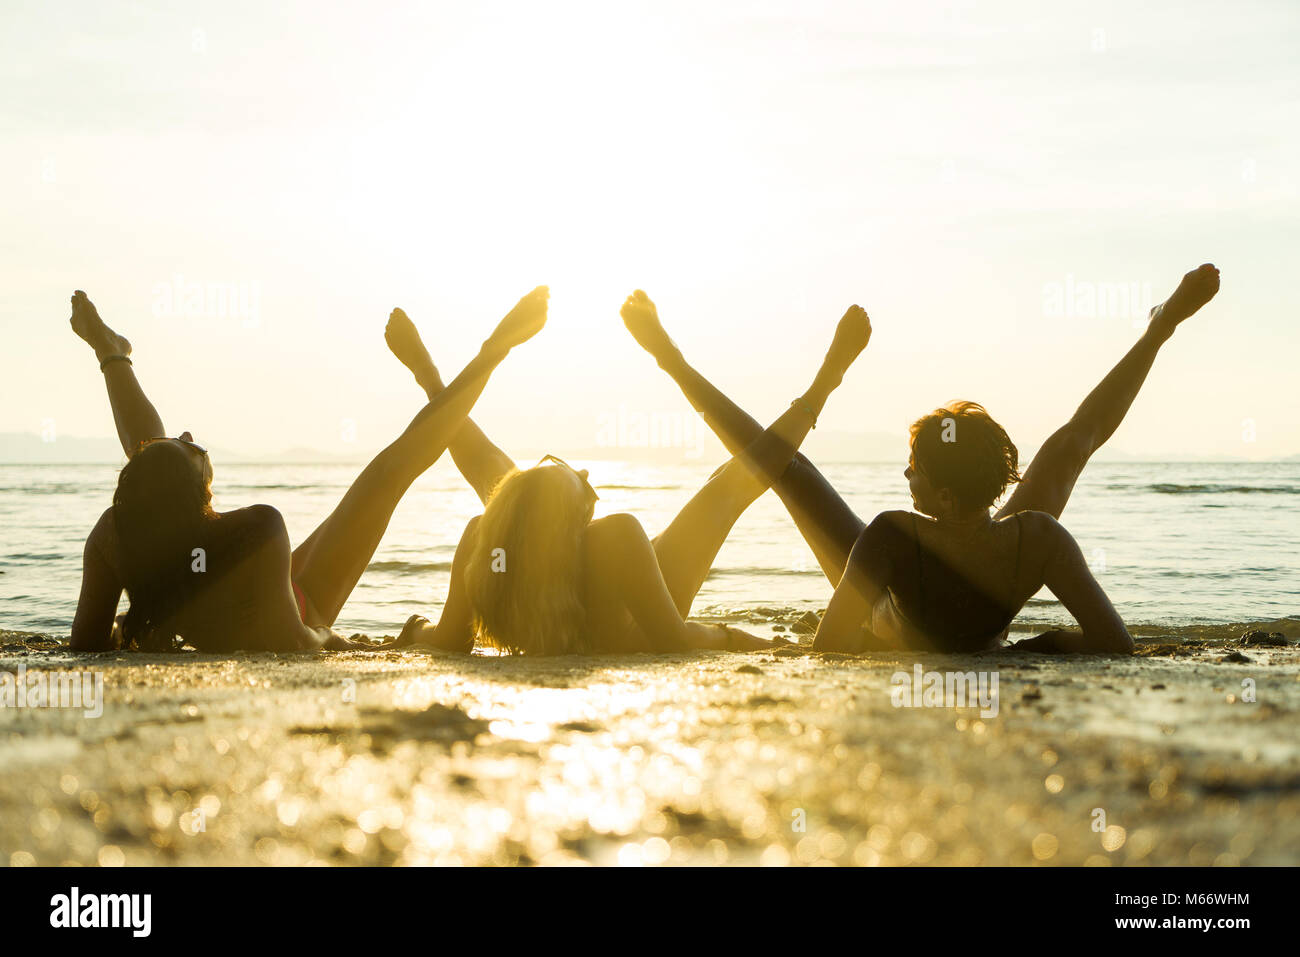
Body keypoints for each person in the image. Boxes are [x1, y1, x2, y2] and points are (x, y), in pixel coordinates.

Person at [625, 265, 1221, 654]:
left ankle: (1158, 328)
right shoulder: (1034, 539)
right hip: (893, 589)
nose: (905, 474)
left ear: (940, 497)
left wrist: (1027, 652)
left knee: (787, 470)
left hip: (891, 584)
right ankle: (1156, 333)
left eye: (915, 469)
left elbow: (828, 653)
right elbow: (1116, 651)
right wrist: (1026, 653)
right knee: (1069, 447)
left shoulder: (894, 535)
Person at [67, 286, 550, 652]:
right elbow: (297, 645)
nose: (188, 436)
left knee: (152, 475)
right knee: (389, 475)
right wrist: (331, 637)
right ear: (204, 498)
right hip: (295, 606)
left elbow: (86, 645)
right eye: (189, 450)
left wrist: (133, 631)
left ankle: (114, 356)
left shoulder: (116, 530)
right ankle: (490, 355)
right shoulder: (257, 529)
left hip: (235, 574)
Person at [393, 293, 872, 653]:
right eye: (573, 476)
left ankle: (431, 378)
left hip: (563, 590)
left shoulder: (490, 540)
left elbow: (449, 642)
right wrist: (739, 638)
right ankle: (813, 384)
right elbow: (678, 642)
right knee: (728, 488)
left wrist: (414, 630)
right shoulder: (615, 539)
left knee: (506, 495)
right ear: (577, 526)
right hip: (638, 622)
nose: (580, 468)